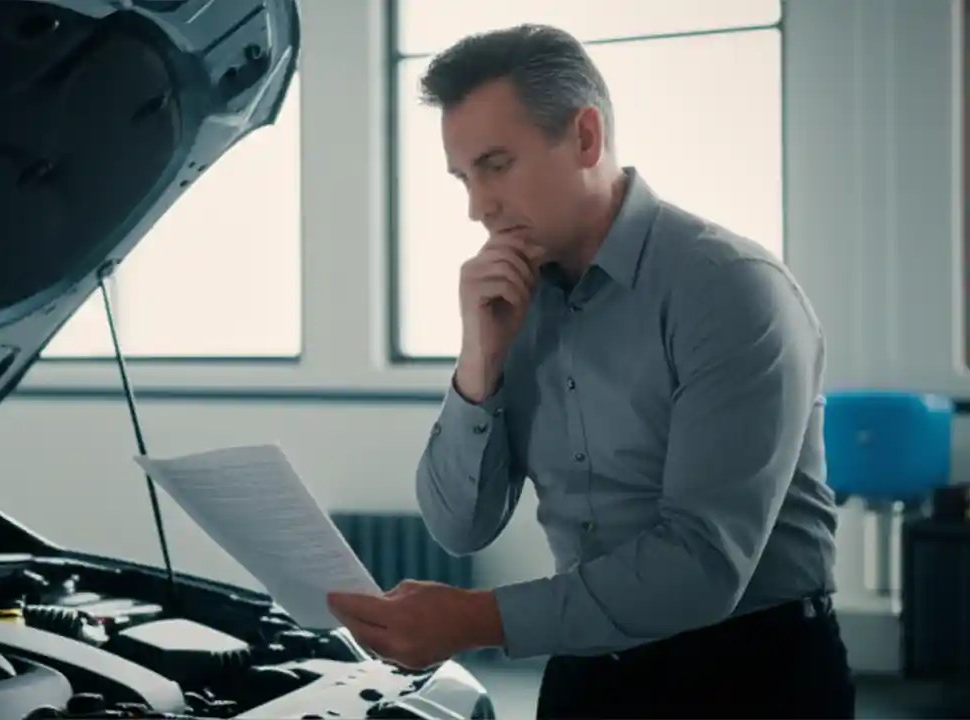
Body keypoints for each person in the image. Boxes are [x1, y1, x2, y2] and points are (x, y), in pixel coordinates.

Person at [326, 23, 855, 719]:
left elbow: (700, 567)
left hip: (749, 673)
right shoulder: (511, 298)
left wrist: (478, 618)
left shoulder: (729, 290)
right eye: (464, 177)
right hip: (587, 669)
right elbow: (459, 527)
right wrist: (478, 362)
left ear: (584, 138)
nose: (477, 207)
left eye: (496, 165)